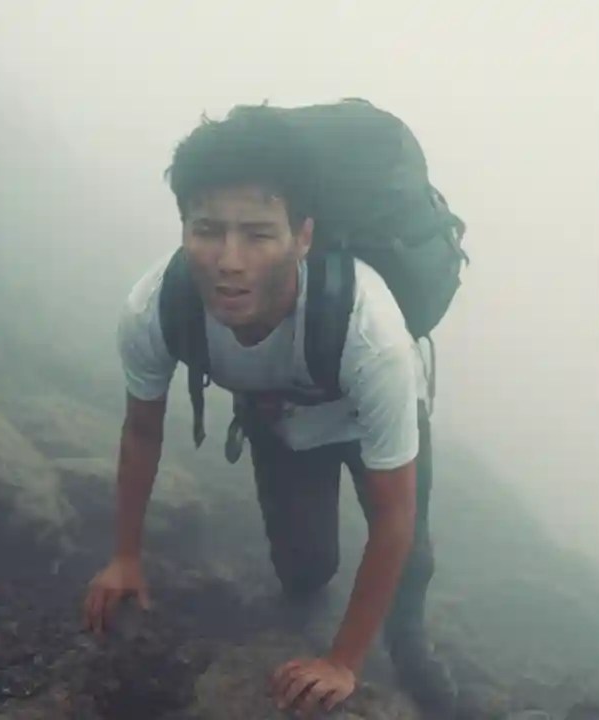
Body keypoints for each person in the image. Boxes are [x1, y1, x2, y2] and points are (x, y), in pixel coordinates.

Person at [81, 108, 456, 717]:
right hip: (282, 420)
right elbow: (141, 432)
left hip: (368, 414)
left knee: (410, 558)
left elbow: (393, 514)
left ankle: (408, 646)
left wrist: (343, 664)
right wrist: (125, 556)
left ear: (303, 236)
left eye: (257, 233)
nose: (229, 260)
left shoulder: (370, 332)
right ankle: (304, 621)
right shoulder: (157, 306)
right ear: (183, 226)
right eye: (207, 230)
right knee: (303, 562)